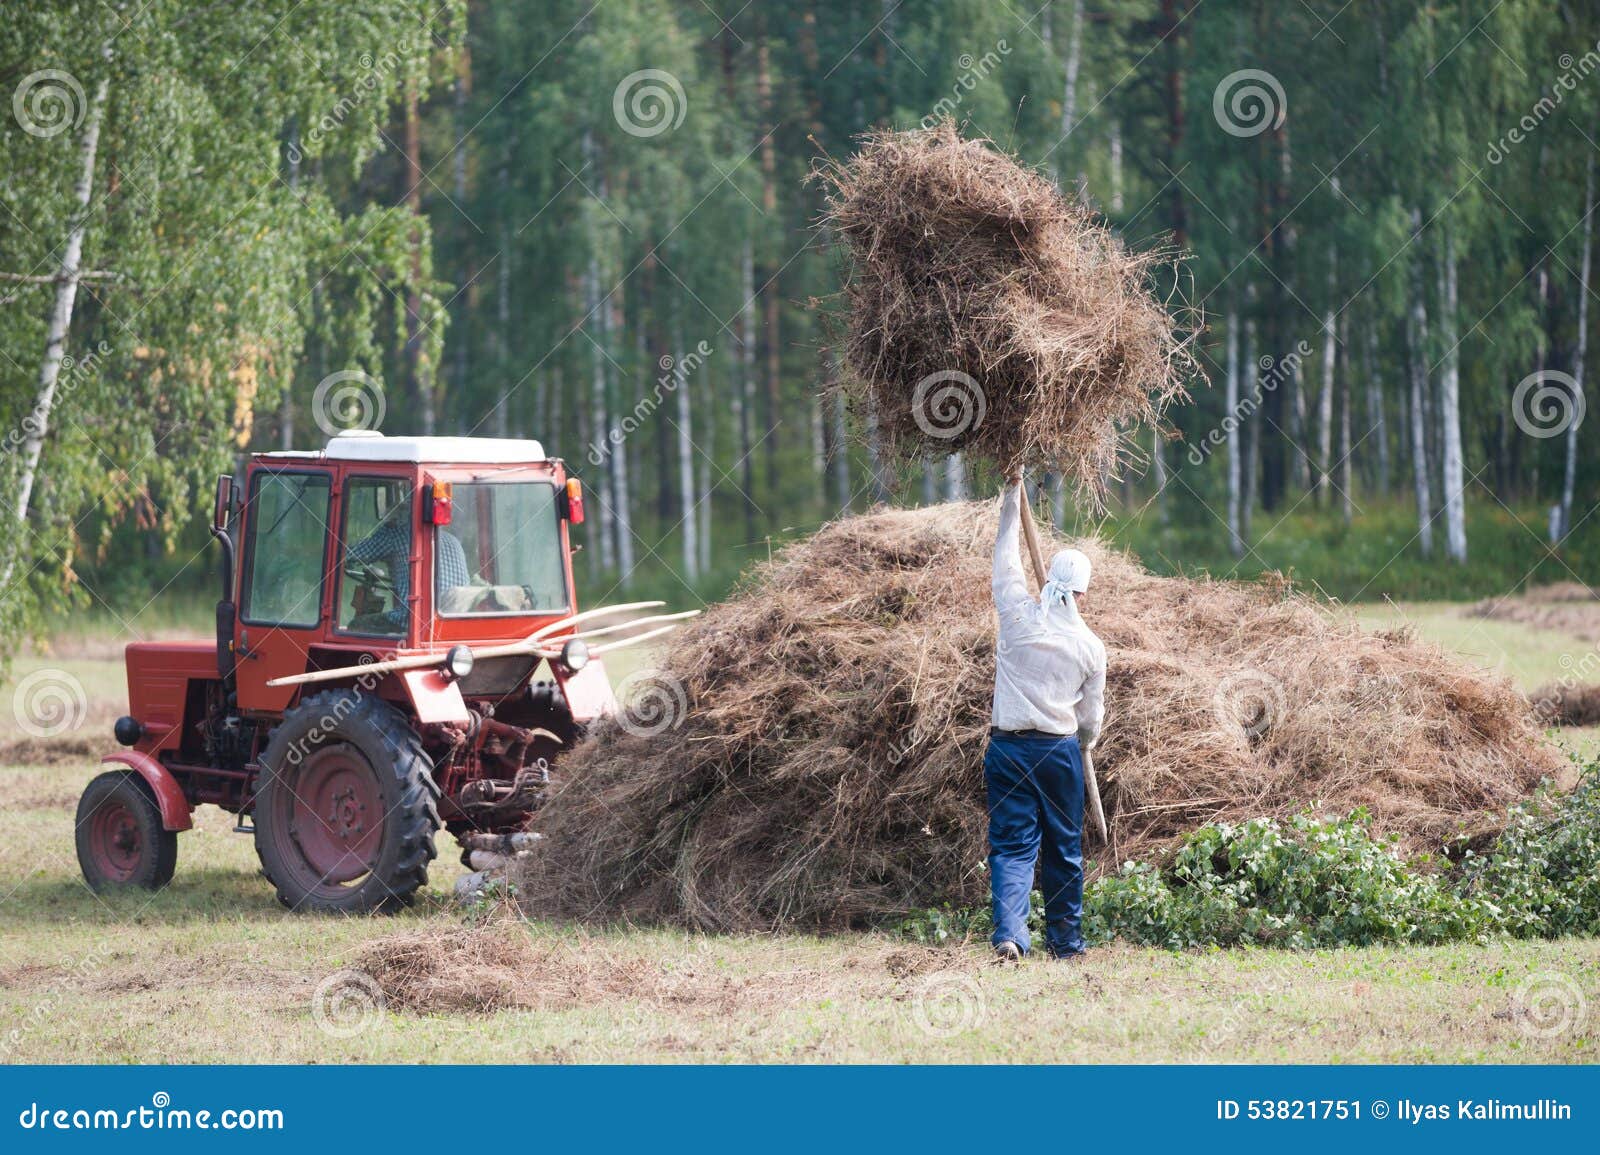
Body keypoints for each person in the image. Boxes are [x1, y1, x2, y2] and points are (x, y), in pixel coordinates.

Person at [985, 475, 1106, 962]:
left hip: (1008, 750)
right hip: (1058, 753)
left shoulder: (1015, 614)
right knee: (1064, 849)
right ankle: (1066, 944)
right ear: (1082, 594)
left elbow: (1005, 556)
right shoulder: (1090, 648)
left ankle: (1010, 934)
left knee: (1012, 847)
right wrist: (1088, 743)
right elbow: (1091, 718)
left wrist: (1011, 501)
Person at [346, 493, 469, 633]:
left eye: (388, 518)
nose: (387, 522)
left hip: (412, 618)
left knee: (357, 625)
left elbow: (353, 554)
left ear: (396, 520)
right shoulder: (453, 541)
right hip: (453, 619)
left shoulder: (395, 535)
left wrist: (335, 551)